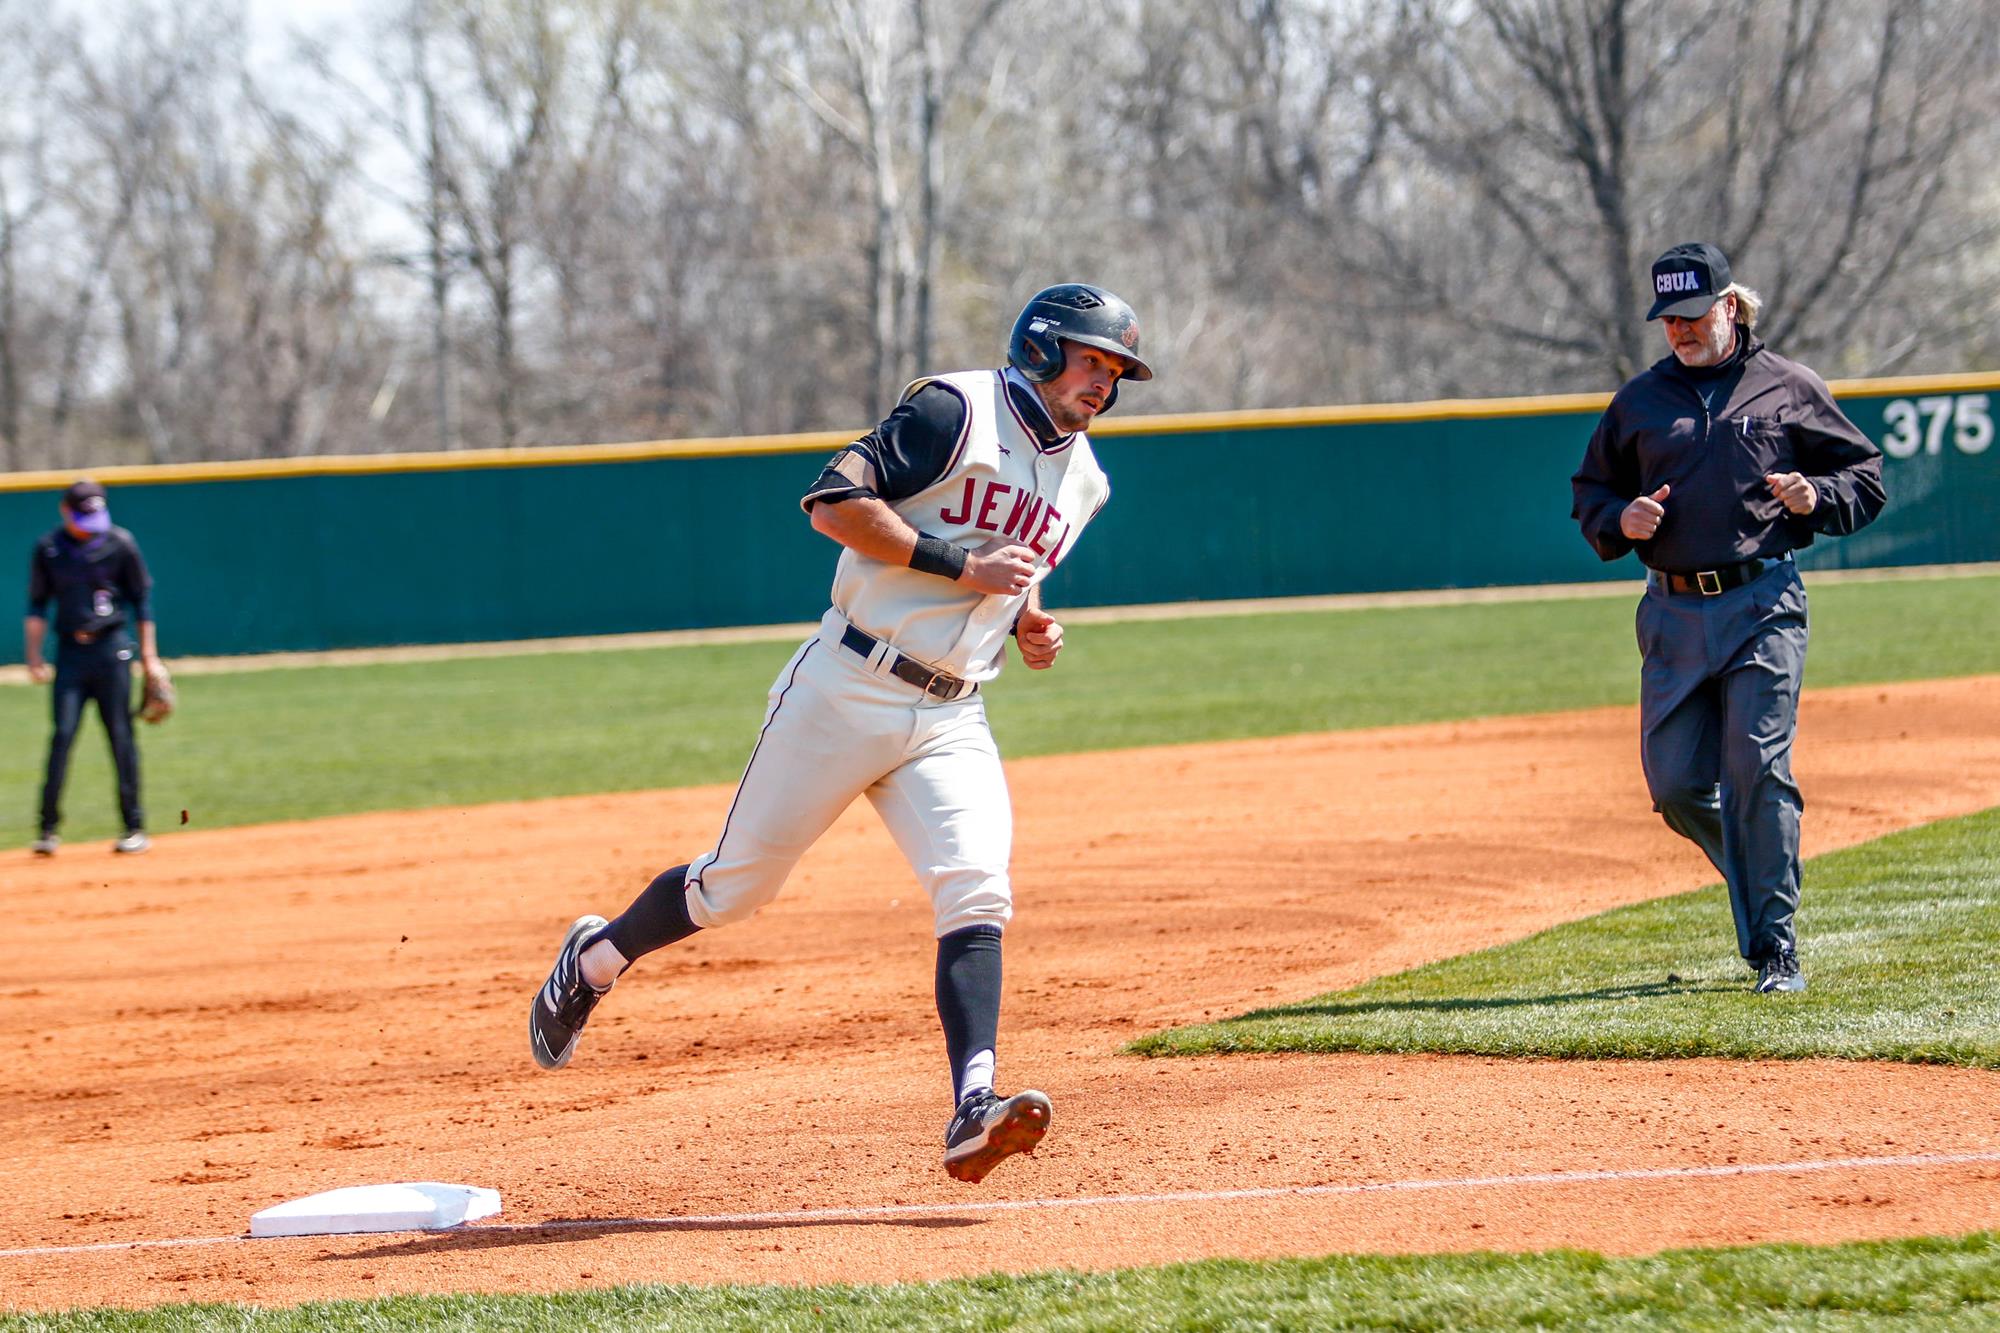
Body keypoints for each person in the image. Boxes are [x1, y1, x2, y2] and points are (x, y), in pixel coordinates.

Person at [529, 283, 1153, 1182]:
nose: (1104, 381)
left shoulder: (1085, 477)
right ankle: (593, 959)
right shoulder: (955, 410)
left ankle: (973, 1106)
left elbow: (1022, 569)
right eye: (1093, 359)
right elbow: (830, 502)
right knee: (730, 889)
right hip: (844, 687)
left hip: (950, 712)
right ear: (1044, 347)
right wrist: (960, 564)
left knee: (977, 888)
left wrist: (1026, 619)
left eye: (1117, 370)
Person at [1571, 242, 1886, 994]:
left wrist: (1819, 497)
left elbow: (1866, 477)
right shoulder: (1640, 403)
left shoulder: (1788, 388)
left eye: (1691, 315)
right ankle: (1758, 866)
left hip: (1763, 604)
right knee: (1676, 785)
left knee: (1755, 766)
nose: (1678, 330)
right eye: (1668, 319)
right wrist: (1623, 517)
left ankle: (1777, 944)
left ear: (1730, 307)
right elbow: (1591, 494)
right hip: (1673, 611)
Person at [24, 479, 167, 856]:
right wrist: (34, 655)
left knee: (121, 738)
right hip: (71, 653)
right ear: (64, 510)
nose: (91, 522)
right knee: (63, 736)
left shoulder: (120, 543)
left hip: (113, 651)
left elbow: (142, 602)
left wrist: (150, 659)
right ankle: (48, 829)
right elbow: (37, 605)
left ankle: (134, 826)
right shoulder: (50, 548)